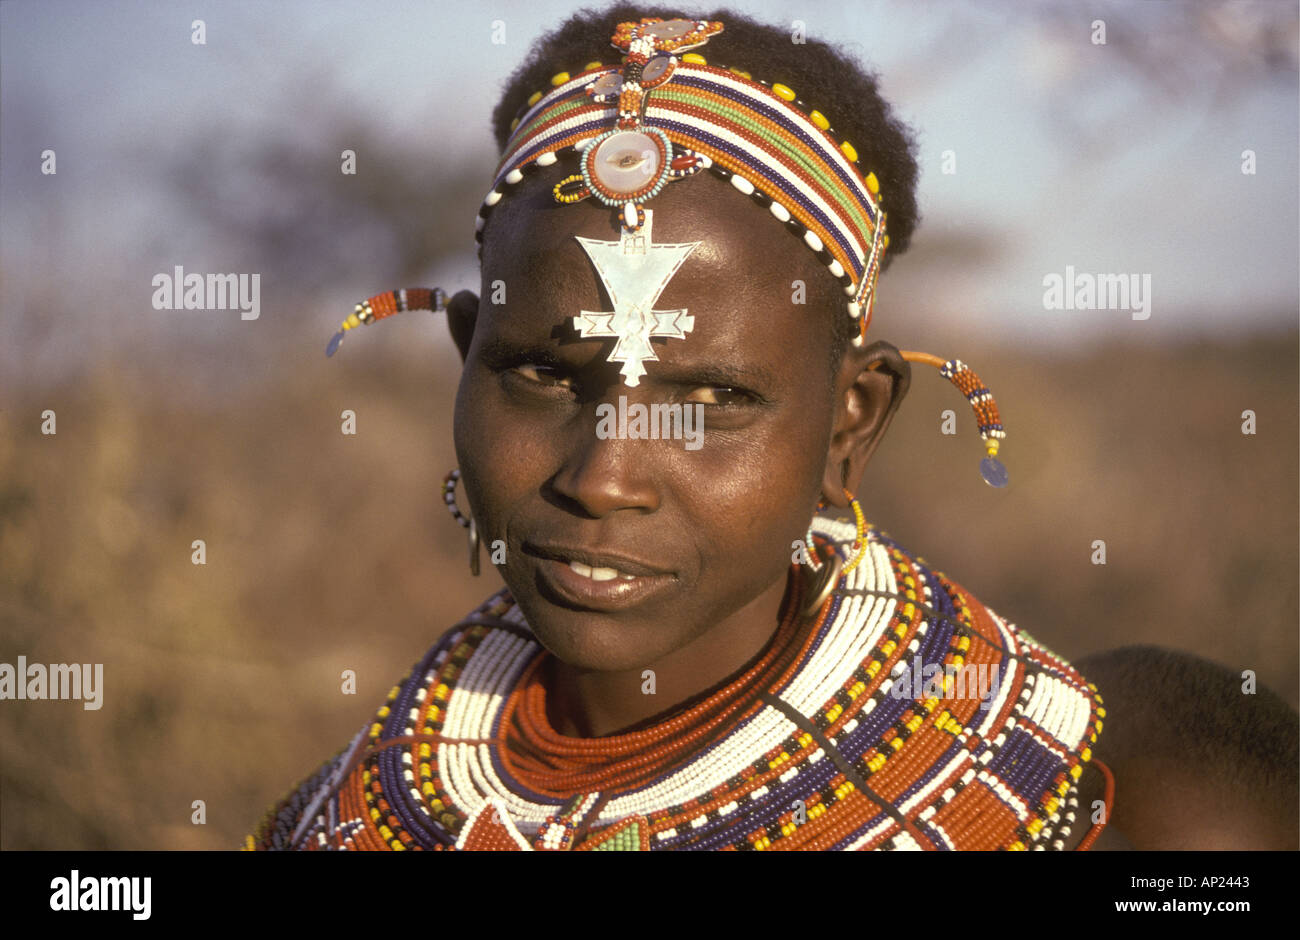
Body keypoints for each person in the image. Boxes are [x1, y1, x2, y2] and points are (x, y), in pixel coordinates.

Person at [245, 7, 1296, 852]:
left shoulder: (1127, 805)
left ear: (851, 425)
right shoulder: (343, 814)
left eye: (712, 400)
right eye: (543, 373)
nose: (605, 476)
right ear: (465, 355)